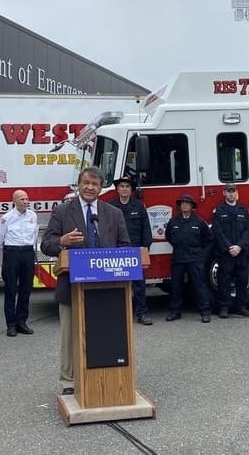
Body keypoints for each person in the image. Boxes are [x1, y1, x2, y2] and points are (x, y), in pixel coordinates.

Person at [40, 167, 129, 396]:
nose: (90, 187)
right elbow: (46, 244)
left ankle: (107, 375)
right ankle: (68, 381)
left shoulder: (113, 213)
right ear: (78, 185)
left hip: (107, 288)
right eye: (86, 183)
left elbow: (125, 246)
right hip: (71, 286)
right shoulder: (62, 211)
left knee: (105, 334)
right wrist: (62, 240)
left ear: (101, 188)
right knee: (70, 337)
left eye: (95, 184)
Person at [108, 176, 153, 325]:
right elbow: (106, 230)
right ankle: (118, 315)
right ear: (117, 189)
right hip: (117, 251)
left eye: (127, 186)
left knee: (139, 285)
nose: (124, 189)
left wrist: (145, 247)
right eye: (122, 186)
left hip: (135, 251)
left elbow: (146, 228)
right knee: (118, 284)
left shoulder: (139, 206)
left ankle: (142, 314)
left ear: (131, 190)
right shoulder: (110, 207)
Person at [164, 194, 213, 323]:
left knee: (199, 286)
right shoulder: (173, 221)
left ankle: (205, 312)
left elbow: (208, 238)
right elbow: (168, 236)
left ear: (192, 206)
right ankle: (175, 312)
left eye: (187, 203)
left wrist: (198, 251)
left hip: (194, 258)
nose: (184, 205)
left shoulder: (199, 222)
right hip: (178, 258)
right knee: (176, 287)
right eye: (182, 203)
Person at [0, 189, 38, 337]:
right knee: (11, 290)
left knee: (26, 289)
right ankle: (11, 325)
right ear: (14, 201)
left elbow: (35, 235)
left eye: (27, 199)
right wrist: (9, 252)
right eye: (22, 199)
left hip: (27, 253)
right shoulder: (7, 218)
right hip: (12, 253)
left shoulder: (33, 216)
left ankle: (22, 322)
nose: (25, 202)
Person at [211, 183, 249, 318]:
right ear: (224, 193)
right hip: (225, 253)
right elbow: (218, 232)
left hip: (241, 252)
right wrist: (229, 247)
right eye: (228, 191)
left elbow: (248, 230)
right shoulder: (219, 210)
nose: (231, 194)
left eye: (233, 191)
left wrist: (239, 246)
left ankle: (241, 306)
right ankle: (224, 307)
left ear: (237, 193)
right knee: (224, 281)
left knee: (242, 280)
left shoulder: (243, 210)